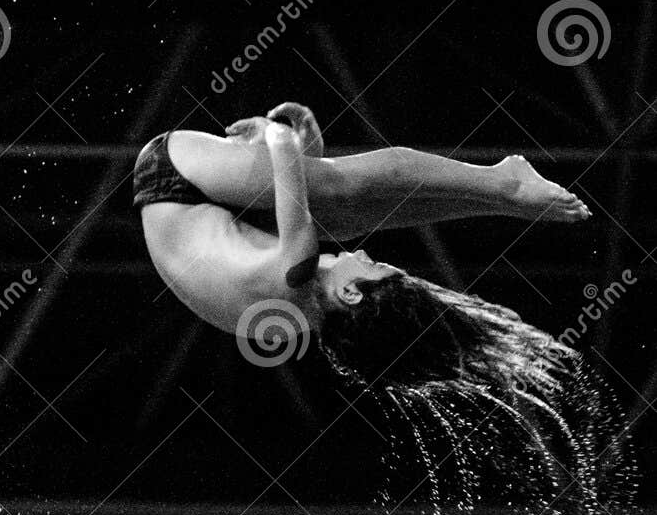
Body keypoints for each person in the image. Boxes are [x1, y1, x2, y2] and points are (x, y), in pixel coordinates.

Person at [134, 104, 592, 391]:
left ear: (351, 294)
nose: (365, 257)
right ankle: (502, 200)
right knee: (345, 218)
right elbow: (289, 195)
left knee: (341, 188)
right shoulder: (293, 323)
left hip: (173, 173)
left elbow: (288, 159)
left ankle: (504, 184)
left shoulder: (296, 271)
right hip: (193, 206)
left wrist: (275, 133)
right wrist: (306, 148)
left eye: (373, 266)